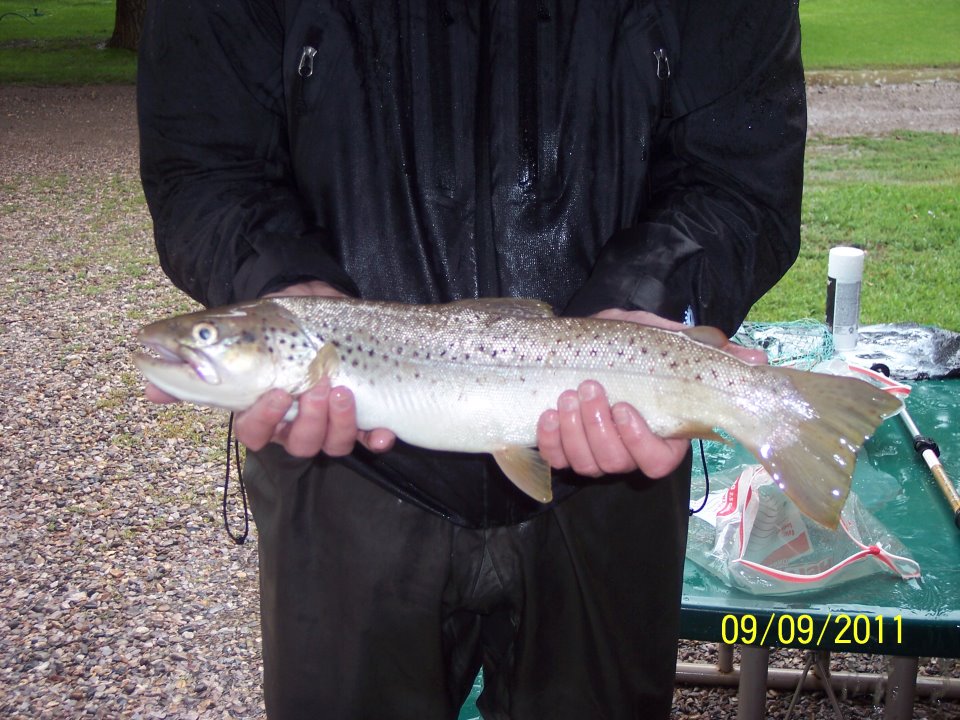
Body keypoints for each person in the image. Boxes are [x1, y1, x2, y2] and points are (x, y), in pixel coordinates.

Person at [137, 1, 805, 717]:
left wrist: (659, 289)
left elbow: (739, 166)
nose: (188, 344)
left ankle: (792, 421)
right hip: (343, 494)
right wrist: (270, 276)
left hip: (615, 478)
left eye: (207, 337)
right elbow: (204, 159)